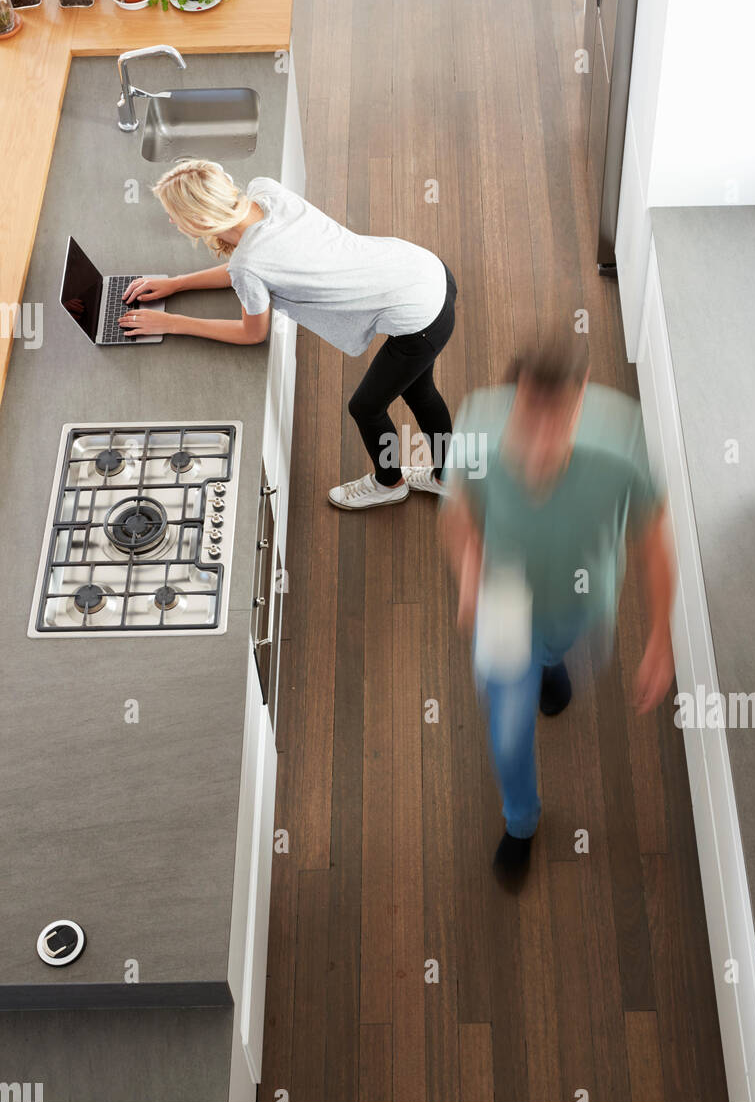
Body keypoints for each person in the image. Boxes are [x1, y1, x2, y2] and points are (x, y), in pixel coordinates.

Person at [439, 333, 675, 888]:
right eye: (529, 417)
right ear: (512, 396)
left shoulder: (623, 438)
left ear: (582, 398)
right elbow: (458, 513)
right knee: (509, 730)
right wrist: (470, 573)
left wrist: (661, 639)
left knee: (553, 651)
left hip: (579, 602)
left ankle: (548, 662)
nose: (541, 441)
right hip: (504, 602)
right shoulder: (477, 423)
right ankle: (521, 823)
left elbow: (652, 542)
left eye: (558, 420)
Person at [119, 159, 457, 510]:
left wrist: (172, 323)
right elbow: (252, 264)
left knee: (366, 407)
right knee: (422, 392)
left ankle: (390, 484)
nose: (172, 221)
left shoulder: (248, 266)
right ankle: (445, 478)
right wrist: (176, 284)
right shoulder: (266, 192)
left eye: (176, 214)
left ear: (202, 220)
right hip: (427, 271)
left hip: (419, 320)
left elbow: (252, 331)